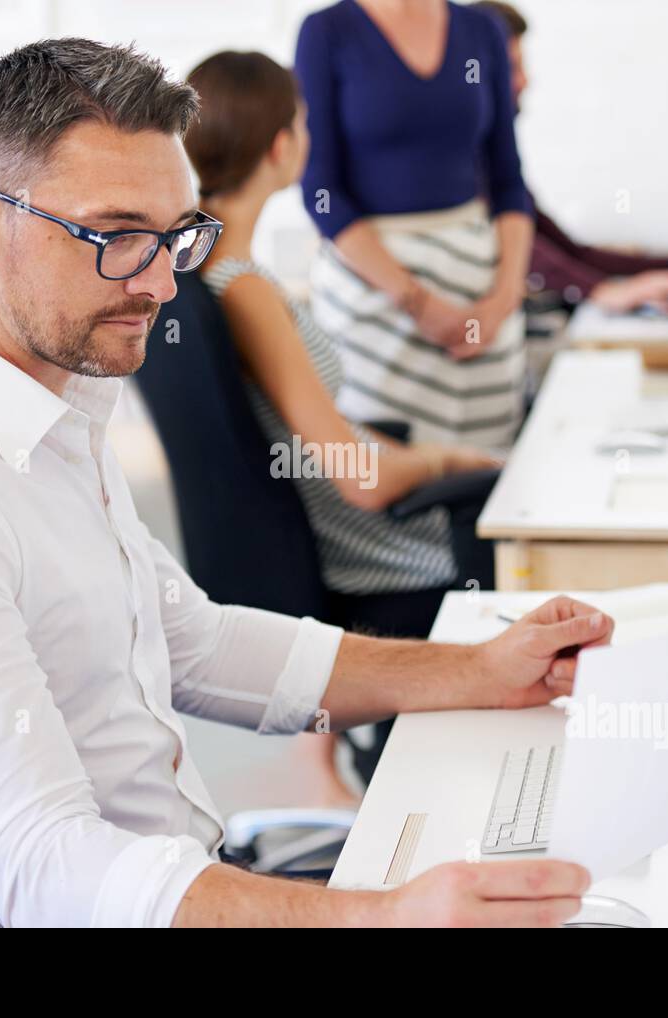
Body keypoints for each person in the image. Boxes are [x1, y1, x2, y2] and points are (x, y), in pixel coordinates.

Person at [0, 38, 611, 928]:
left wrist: (477, 670)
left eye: (178, 237)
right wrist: (380, 918)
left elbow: (192, 642)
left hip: (179, 883)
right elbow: (42, 866)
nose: (162, 283)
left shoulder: (58, 407)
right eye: (118, 237)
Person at [184, 50, 503, 806]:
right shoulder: (246, 289)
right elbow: (360, 480)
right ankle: (468, 793)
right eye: (299, 121)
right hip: (364, 554)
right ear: (281, 146)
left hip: (297, 540)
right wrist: (447, 458)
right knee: (513, 528)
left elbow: (329, 441)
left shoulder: (203, 277)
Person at [295, 0, 535, 450]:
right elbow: (321, 192)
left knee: (488, 472)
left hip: (481, 294)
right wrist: (418, 303)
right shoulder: (327, 31)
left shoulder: (482, 30)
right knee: (387, 465)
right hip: (374, 296)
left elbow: (509, 181)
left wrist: (502, 300)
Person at [472, 1, 668, 313]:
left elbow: (568, 252)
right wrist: (604, 292)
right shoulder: (460, 165)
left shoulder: (495, 162)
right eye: (512, 68)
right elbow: (518, 248)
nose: (525, 81)